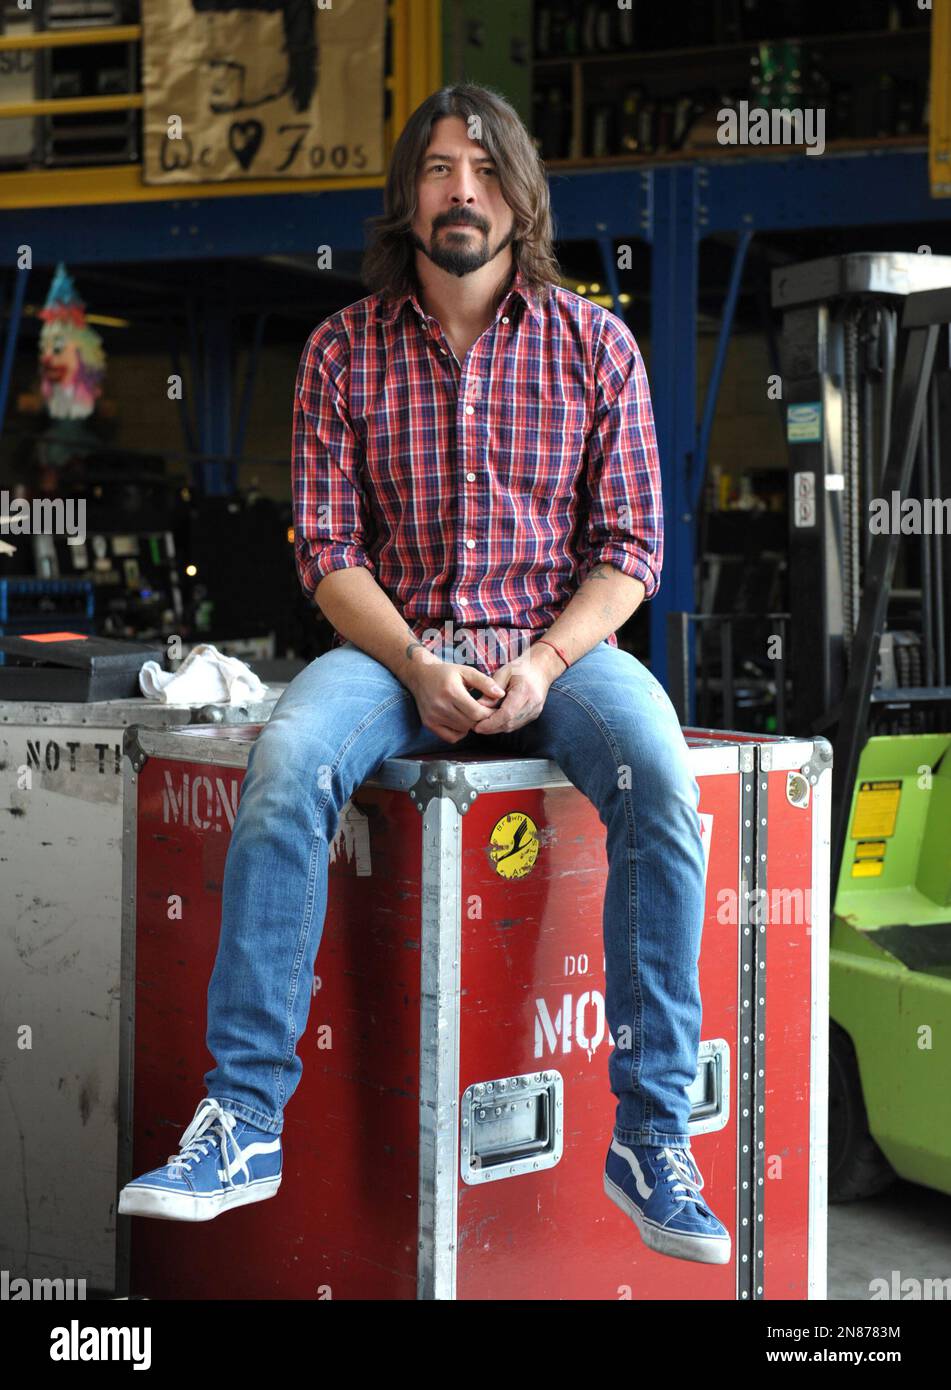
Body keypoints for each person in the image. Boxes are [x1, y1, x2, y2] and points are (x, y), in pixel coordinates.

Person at [118, 82, 730, 1268]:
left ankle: (652, 1135)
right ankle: (244, 1119)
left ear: (522, 197)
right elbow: (327, 553)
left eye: (488, 170)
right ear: (408, 195)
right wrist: (413, 657)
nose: (464, 189)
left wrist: (546, 661)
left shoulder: (595, 343)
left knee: (660, 772)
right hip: (391, 654)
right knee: (290, 760)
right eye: (443, 168)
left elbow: (632, 551)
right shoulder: (343, 350)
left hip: (562, 652)